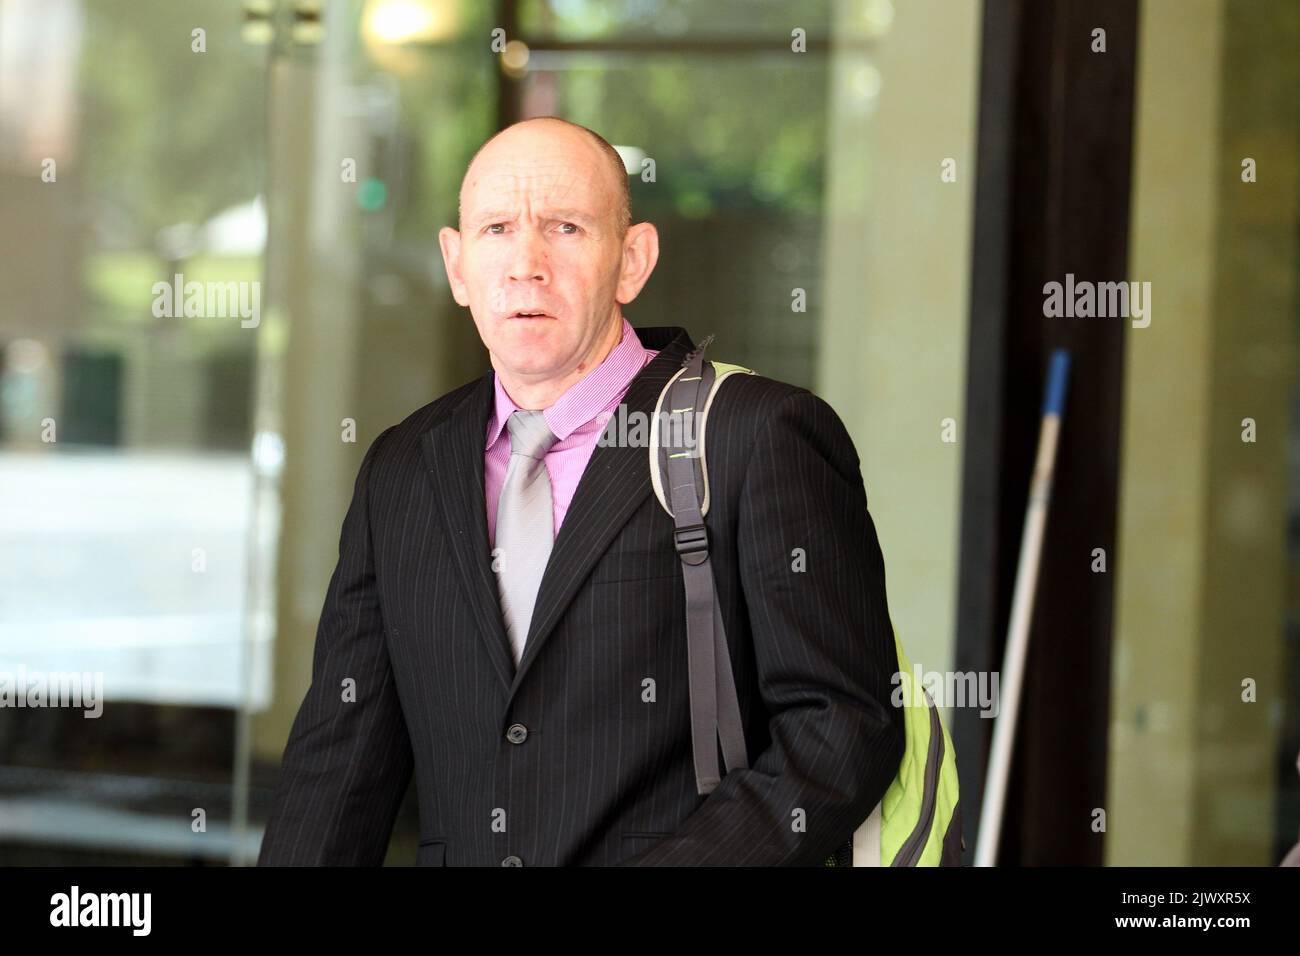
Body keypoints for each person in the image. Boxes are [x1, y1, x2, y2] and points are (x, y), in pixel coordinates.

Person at [257, 116, 904, 866]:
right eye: (496, 228)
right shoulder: (401, 469)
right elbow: (340, 762)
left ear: (632, 261)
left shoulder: (756, 437)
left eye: (565, 227)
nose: (526, 263)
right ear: (458, 265)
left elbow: (844, 725)